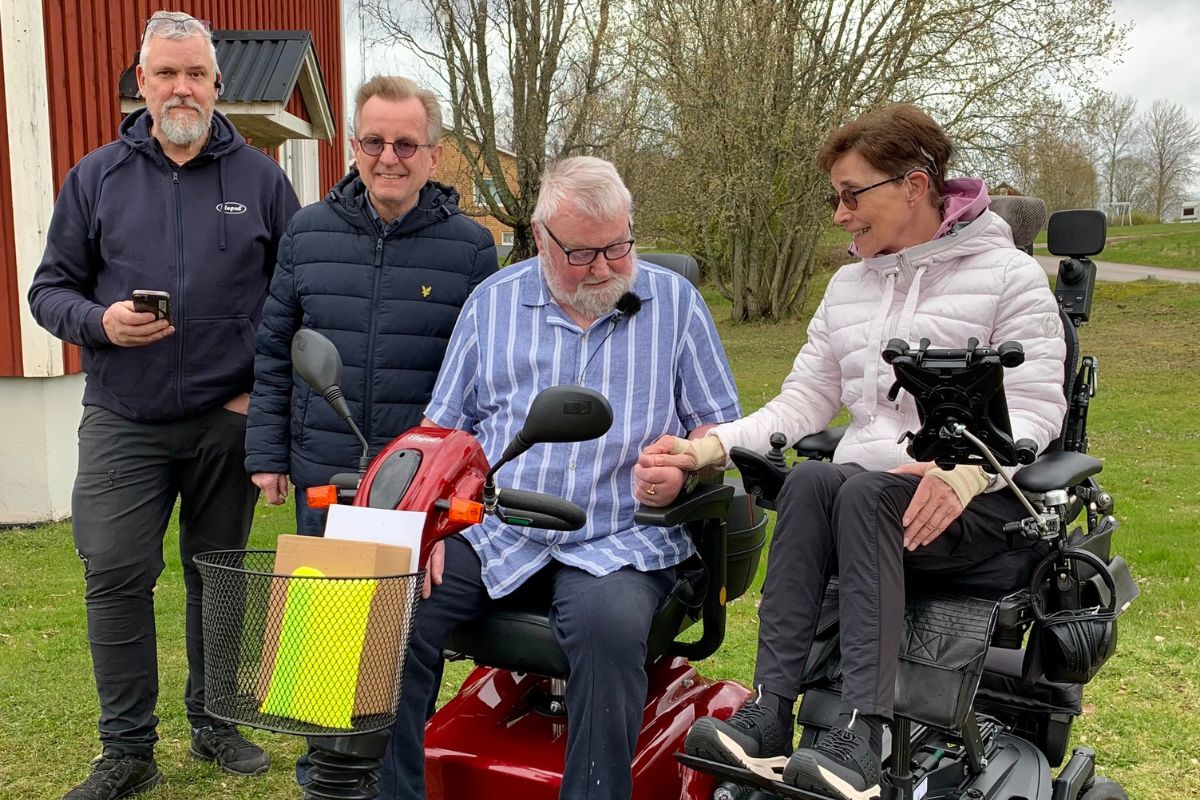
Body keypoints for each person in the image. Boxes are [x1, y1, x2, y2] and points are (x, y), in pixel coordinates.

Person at [642, 103, 1068, 800]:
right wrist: (710, 448)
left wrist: (962, 475)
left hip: (983, 501)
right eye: (834, 197)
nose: (839, 213)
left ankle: (861, 738)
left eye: (852, 194)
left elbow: (1036, 408)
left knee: (860, 489)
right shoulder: (849, 287)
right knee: (812, 483)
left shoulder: (1008, 276)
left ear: (915, 184)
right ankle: (772, 711)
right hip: (873, 502)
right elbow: (802, 401)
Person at [379, 155, 741, 800]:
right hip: (497, 527)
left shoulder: (676, 304)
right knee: (389, 608)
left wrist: (685, 462)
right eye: (581, 253)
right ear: (542, 240)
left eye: (618, 248)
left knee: (606, 630)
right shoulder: (492, 304)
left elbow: (721, 431)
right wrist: (423, 529)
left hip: (621, 536)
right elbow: (442, 433)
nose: (604, 268)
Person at [26, 11, 300, 799]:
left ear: (218, 84)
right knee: (114, 570)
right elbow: (49, 291)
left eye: (196, 74)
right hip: (123, 415)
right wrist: (99, 324)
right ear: (141, 81)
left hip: (227, 415)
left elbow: (295, 300)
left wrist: (260, 399)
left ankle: (215, 725)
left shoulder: (260, 181)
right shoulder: (97, 176)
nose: (181, 87)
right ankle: (127, 751)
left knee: (219, 576)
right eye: (165, 73)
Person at [245, 74, 497, 536]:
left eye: (405, 144)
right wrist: (266, 454)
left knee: (412, 608)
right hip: (325, 471)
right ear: (355, 148)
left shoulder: (471, 248)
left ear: (433, 156)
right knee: (323, 603)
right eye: (374, 141)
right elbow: (275, 352)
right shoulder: (306, 234)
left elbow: (485, 375)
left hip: (422, 477)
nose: (388, 158)